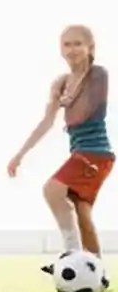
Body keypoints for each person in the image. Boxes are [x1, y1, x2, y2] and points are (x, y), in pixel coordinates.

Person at [8, 25, 111, 260]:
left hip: (95, 153)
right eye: (67, 44)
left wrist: (66, 101)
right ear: (60, 49)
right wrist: (20, 154)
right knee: (82, 213)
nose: (72, 49)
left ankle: (72, 253)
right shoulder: (61, 83)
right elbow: (47, 122)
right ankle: (95, 268)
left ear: (90, 48)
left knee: (52, 190)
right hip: (80, 153)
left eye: (78, 44)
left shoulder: (98, 75)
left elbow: (86, 111)